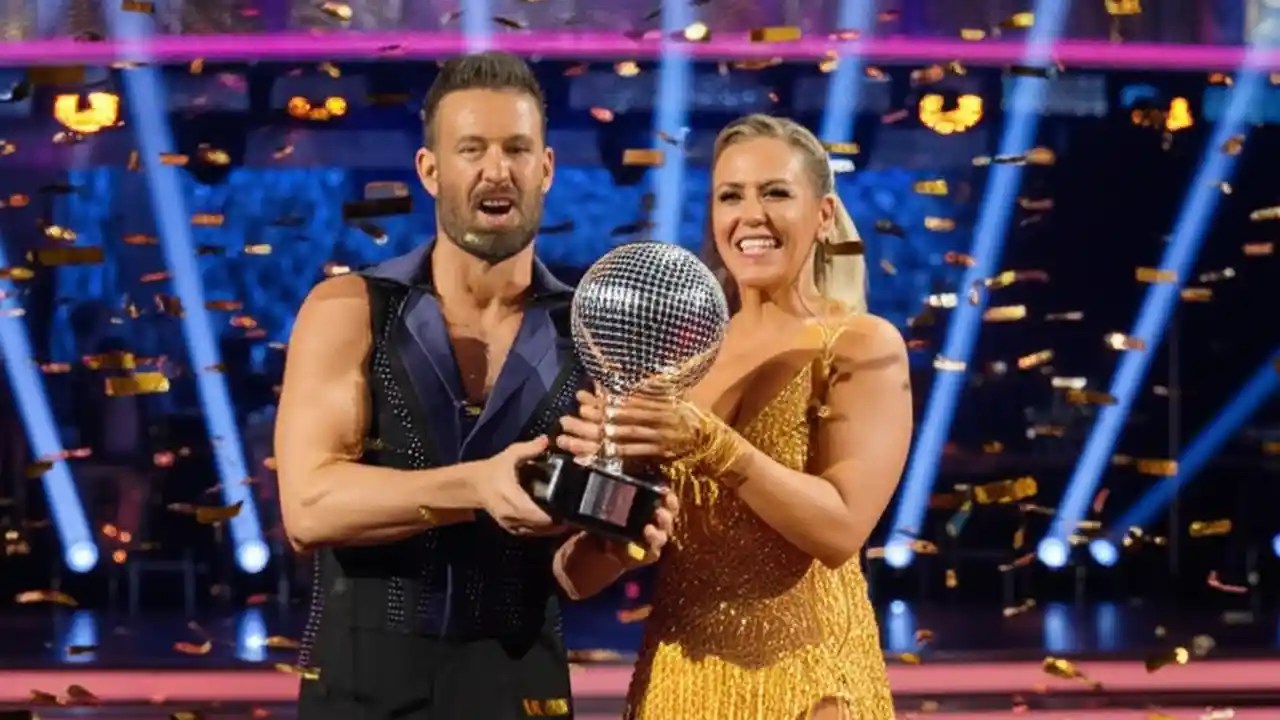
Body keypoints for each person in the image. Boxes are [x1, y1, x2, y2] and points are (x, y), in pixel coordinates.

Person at [275, 51, 676, 720]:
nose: (497, 170)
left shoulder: (595, 334)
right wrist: (477, 487)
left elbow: (570, 575)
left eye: (518, 148)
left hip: (521, 683)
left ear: (545, 169)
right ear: (431, 171)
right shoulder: (349, 308)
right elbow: (310, 508)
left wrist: (619, 546)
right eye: (472, 149)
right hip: (362, 686)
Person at [556, 114, 913, 719]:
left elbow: (840, 530)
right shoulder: (676, 363)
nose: (752, 215)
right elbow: (578, 578)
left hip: (813, 688)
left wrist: (708, 443)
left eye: (775, 192)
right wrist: (608, 481)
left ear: (823, 215)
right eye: (731, 196)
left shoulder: (860, 344)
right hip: (675, 687)